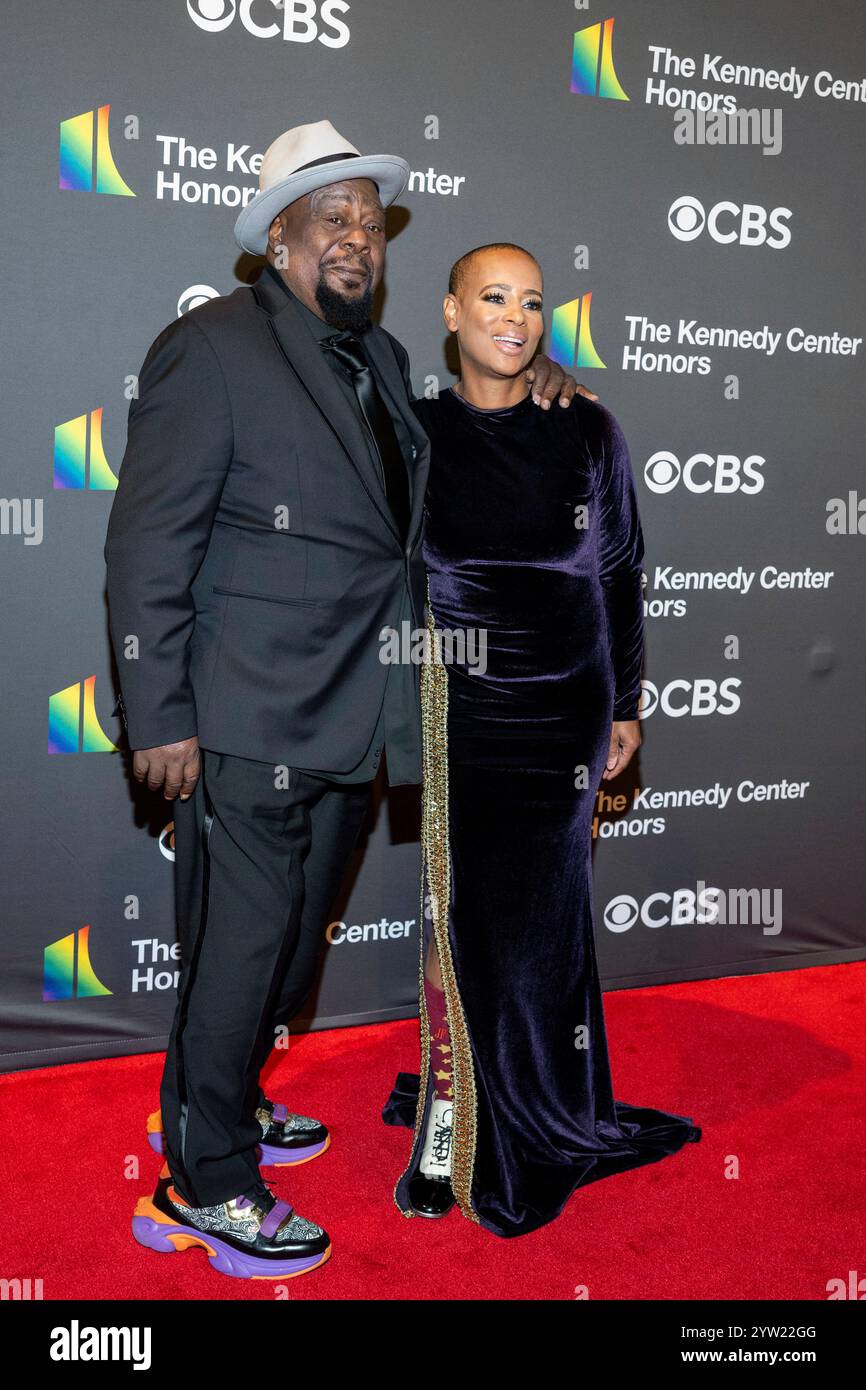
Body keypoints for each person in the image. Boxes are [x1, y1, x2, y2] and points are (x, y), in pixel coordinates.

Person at [104, 121, 582, 1281]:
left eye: (370, 219)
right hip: (238, 719)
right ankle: (205, 1181)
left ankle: (219, 1101)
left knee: (279, 955)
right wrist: (158, 715)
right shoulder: (209, 348)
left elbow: (408, 507)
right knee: (236, 954)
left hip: (351, 718)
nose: (357, 238)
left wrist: (527, 390)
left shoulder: (377, 357)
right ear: (278, 236)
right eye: (332, 218)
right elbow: (145, 547)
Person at [384, 242, 702, 1239]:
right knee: (455, 920)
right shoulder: (414, 432)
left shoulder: (587, 428)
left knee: (542, 928)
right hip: (459, 707)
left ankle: (543, 1105)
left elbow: (618, 571)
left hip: (566, 705)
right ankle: (450, 1115)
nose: (514, 318)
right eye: (492, 297)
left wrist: (625, 705)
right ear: (451, 312)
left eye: (530, 302)